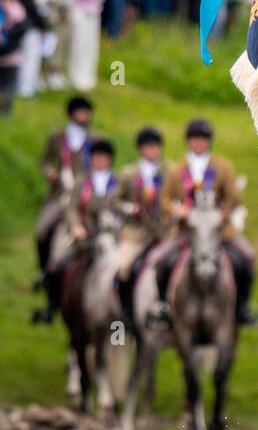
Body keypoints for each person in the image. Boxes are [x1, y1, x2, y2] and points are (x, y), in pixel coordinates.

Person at [152, 118, 258, 327]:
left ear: (209, 142)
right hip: (187, 232)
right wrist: (178, 210)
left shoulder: (223, 167)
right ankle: (163, 307)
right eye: (195, 139)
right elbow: (164, 201)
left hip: (219, 231)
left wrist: (220, 214)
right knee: (160, 259)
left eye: (203, 139)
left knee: (247, 256)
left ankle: (242, 307)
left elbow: (233, 198)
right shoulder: (176, 170)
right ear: (188, 142)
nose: (199, 143)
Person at [34, 137, 120, 323]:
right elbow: (71, 208)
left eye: (104, 157)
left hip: (109, 237)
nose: (100, 161)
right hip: (83, 235)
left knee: (121, 270)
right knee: (57, 262)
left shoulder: (117, 182)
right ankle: (52, 305)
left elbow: (122, 208)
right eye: (96, 157)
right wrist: (76, 226)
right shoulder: (82, 181)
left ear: (110, 160)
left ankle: (121, 320)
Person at [115, 127, 170, 333]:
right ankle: (126, 312)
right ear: (140, 149)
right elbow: (115, 200)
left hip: (164, 231)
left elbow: (177, 195)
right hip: (136, 232)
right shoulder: (129, 173)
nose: (153, 150)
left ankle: (166, 307)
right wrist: (130, 208)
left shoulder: (169, 171)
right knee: (123, 266)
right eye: (148, 146)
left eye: (156, 146)